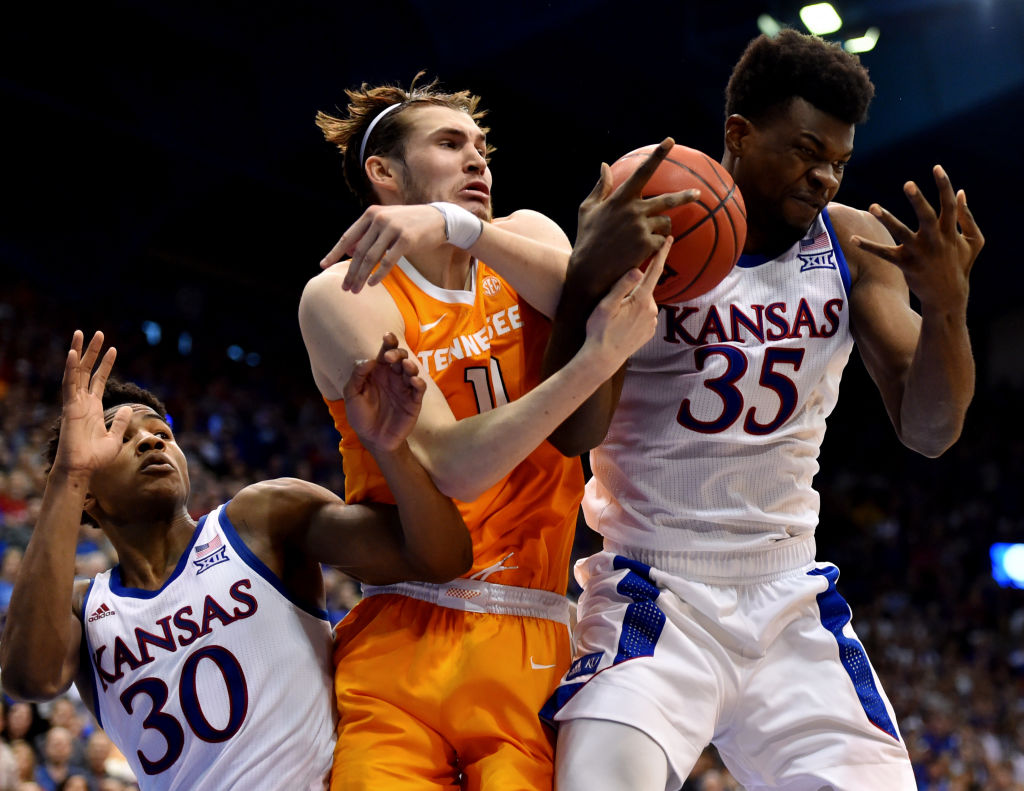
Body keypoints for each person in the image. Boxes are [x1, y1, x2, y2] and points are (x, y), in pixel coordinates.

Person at [539, 29, 985, 791]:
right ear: (738, 135)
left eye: (839, 162)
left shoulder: (850, 243)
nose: (824, 178)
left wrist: (947, 309)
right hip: (654, 589)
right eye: (806, 151)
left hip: (789, 594)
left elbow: (931, 431)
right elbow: (573, 432)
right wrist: (587, 281)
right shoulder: (654, 230)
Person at [300, 77, 685, 789]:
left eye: (481, 147)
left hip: (531, 633)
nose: (478, 161)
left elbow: (587, 285)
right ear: (383, 173)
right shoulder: (343, 292)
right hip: (407, 622)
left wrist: (459, 226)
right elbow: (453, 466)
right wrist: (598, 357)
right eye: (450, 145)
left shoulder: (529, 235)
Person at [0, 328, 472, 790]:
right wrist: (69, 472)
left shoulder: (261, 518)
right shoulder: (83, 610)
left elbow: (439, 557)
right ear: (87, 494)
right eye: (120, 439)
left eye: (162, 432)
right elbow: (28, 680)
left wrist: (391, 450)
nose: (151, 441)